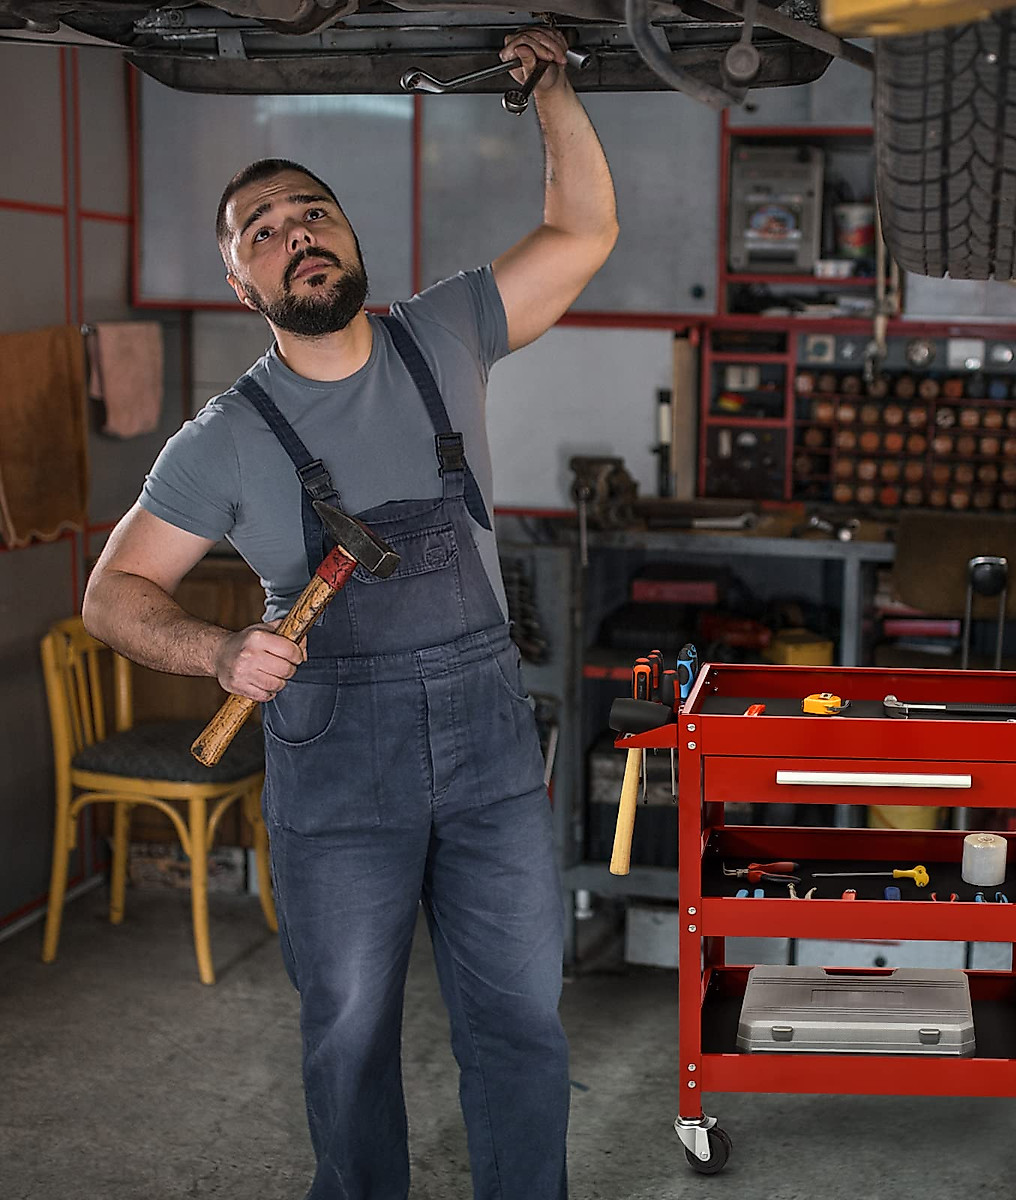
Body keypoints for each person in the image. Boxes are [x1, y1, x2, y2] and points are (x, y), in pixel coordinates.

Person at [82, 26, 617, 1200]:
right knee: (351, 1036)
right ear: (243, 285)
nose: (295, 236)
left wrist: (558, 97)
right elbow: (111, 594)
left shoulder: (446, 332)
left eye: (310, 212)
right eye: (262, 234)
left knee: (520, 1023)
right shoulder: (220, 439)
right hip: (337, 760)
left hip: (483, 743)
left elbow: (584, 232)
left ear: (350, 235)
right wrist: (217, 648)